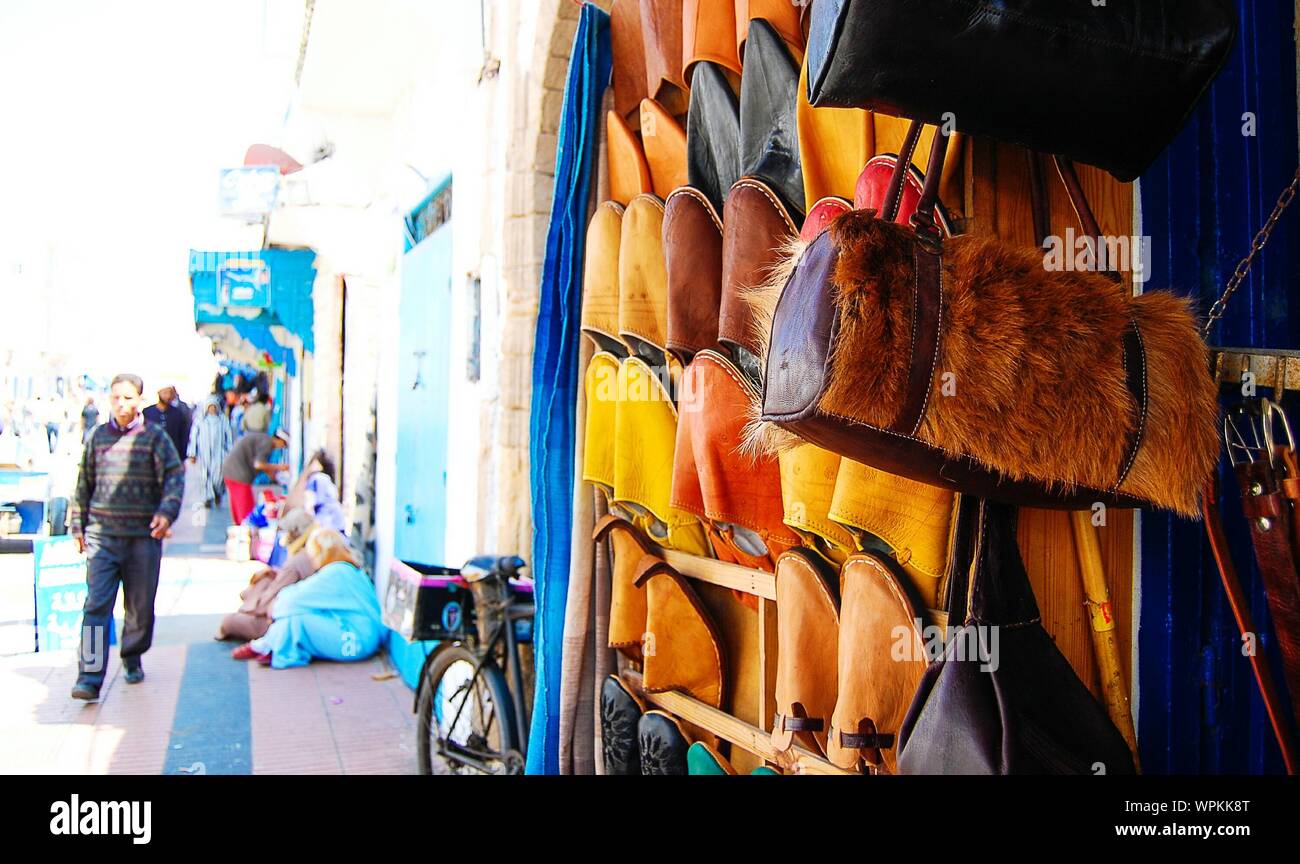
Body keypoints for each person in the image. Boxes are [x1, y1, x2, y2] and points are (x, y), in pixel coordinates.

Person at [69, 373, 185, 700]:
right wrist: (78, 527)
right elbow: (83, 487)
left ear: (139, 400)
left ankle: (132, 655)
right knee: (96, 606)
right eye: (116, 397)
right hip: (103, 538)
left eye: (129, 398)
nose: (122, 404)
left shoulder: (154, 438)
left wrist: (166, 512)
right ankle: (89, 678)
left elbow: (174, 478)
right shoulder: (96, 438)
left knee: (140, 607)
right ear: (109, 399)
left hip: (142, 539)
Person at [231, 528, 381, 668]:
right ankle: (267, 645)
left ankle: (268, 646)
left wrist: (275, 607)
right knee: (296, 615)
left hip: (357, 641)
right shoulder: (349, 569)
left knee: (296, 619)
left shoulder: (336, 572)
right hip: (363, 636)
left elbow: (295, 598)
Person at [216, 509, 317, 641]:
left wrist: (254, 602)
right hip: (300, 614)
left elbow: (267, 601)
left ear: (295, 533)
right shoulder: (314, 550)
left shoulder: (296, 561)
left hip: (287, 620)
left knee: (229, 622)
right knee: (266, 579)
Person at [221, 427, 290, 526]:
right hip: (238, 474)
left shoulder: (264, 439)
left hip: (230, 471)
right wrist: (280, 467)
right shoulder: (267, 443)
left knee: (238, 508)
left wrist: (274, 477)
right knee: (246, 510)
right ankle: (245, 530)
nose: (282, 448)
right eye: (284, 445)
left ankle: (239, 528)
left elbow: (263, 467)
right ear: (279, 440)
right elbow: (259, 464)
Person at [187, 396, 234, 508]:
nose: (212, 409)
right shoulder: (200, 421)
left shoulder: (223, 420)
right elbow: (193, 437)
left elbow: (229, 436)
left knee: (218, 476)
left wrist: (230, 452)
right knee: (205, 476)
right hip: (204, 453)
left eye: (214, 407)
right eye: (210, 407)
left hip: (219, 453)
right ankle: (207, 498)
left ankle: (217, 493)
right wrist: (192, 453)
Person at [287, 449, 348, 536]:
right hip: (338, 524)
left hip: (324, 526)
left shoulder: (315, 480)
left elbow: (310, 506)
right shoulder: (328, 480)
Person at [142, 386, 190, 461]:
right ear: (159, 393)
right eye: (165, 393)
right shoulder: (147, 412)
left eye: (170, 393)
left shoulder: (178, 414)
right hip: (151, 455)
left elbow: (183, 435)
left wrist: (182, 457)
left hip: (173, 455)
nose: (168, 396)